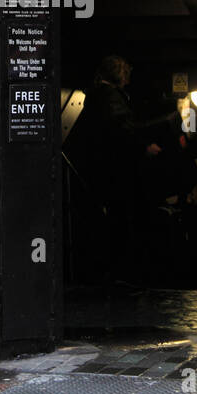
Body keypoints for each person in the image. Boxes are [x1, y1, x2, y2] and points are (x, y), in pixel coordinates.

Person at [63, 55, 173, 286]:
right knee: (123, 220)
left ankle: (114, 273)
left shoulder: (98, 96)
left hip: (103, 169)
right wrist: (146, 142)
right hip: (115, 171)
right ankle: (124, 274)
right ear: (118, 74)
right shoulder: (110, 97)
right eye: (125, 72)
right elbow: (121, 128)